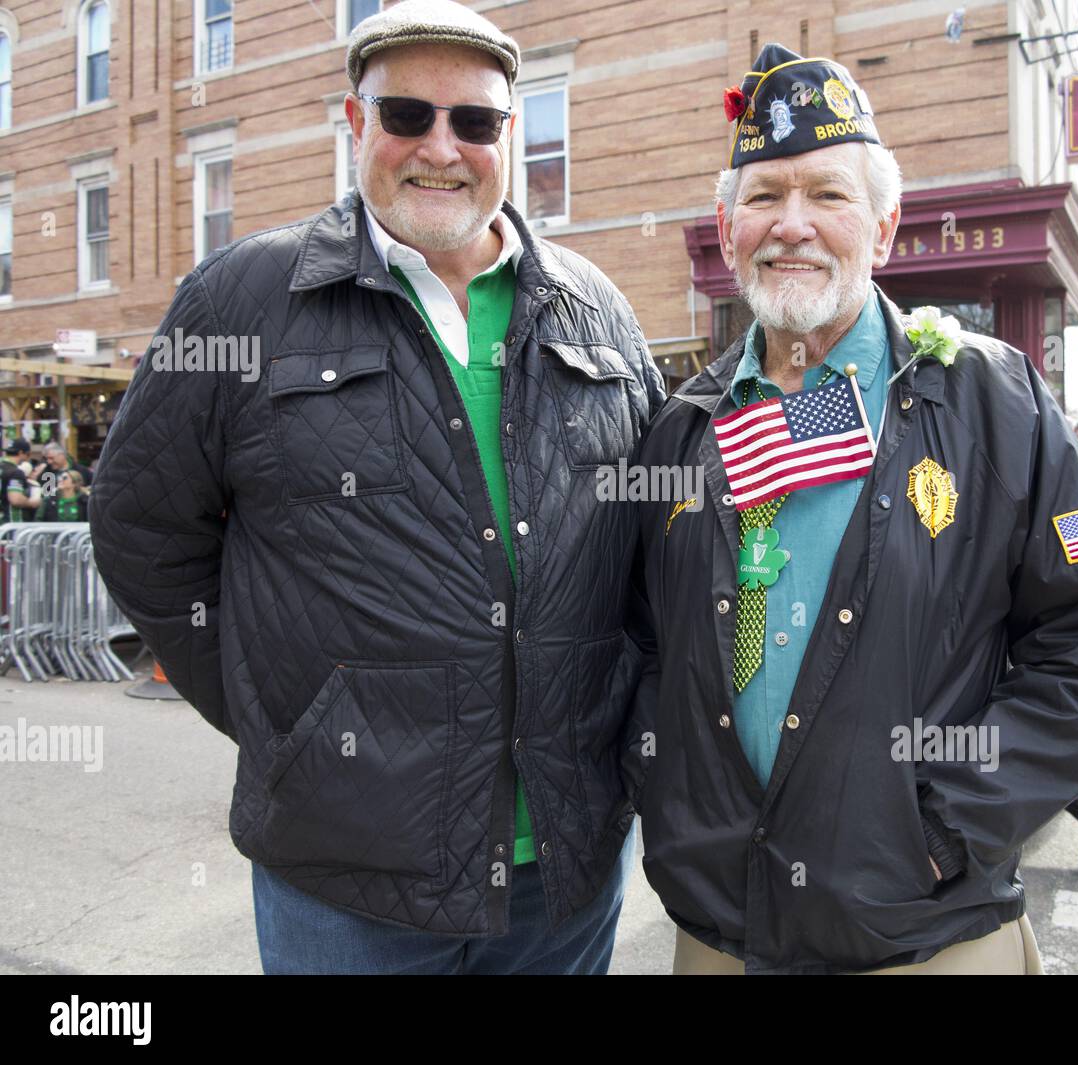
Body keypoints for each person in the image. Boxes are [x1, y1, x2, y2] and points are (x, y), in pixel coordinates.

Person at [90, 0, 665, 975]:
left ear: (507, 137)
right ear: (354, 125)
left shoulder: (595, 310)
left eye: (474, 122)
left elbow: (658, 543)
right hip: (347, 883)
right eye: (407, 116)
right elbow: (142, 526)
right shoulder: (243, 298)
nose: (441, 147)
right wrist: (291, 715)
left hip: (562, 871)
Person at [623, 43, 1078, 975]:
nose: (792, 224)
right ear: (726, 224)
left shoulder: (995, 404)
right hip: (719, 930)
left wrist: (945, 827)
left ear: (883, 227)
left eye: (828, 194)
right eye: (763, 195)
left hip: (928, 932)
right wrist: (669, 792)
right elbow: (641, 647)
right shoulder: (681, 427)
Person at [2, 437, 41, 522]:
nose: (28, 459)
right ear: (21, 453)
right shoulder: (15, 473)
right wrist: (32, 503)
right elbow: (15, 499)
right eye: (28, 455)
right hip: (7, 522)